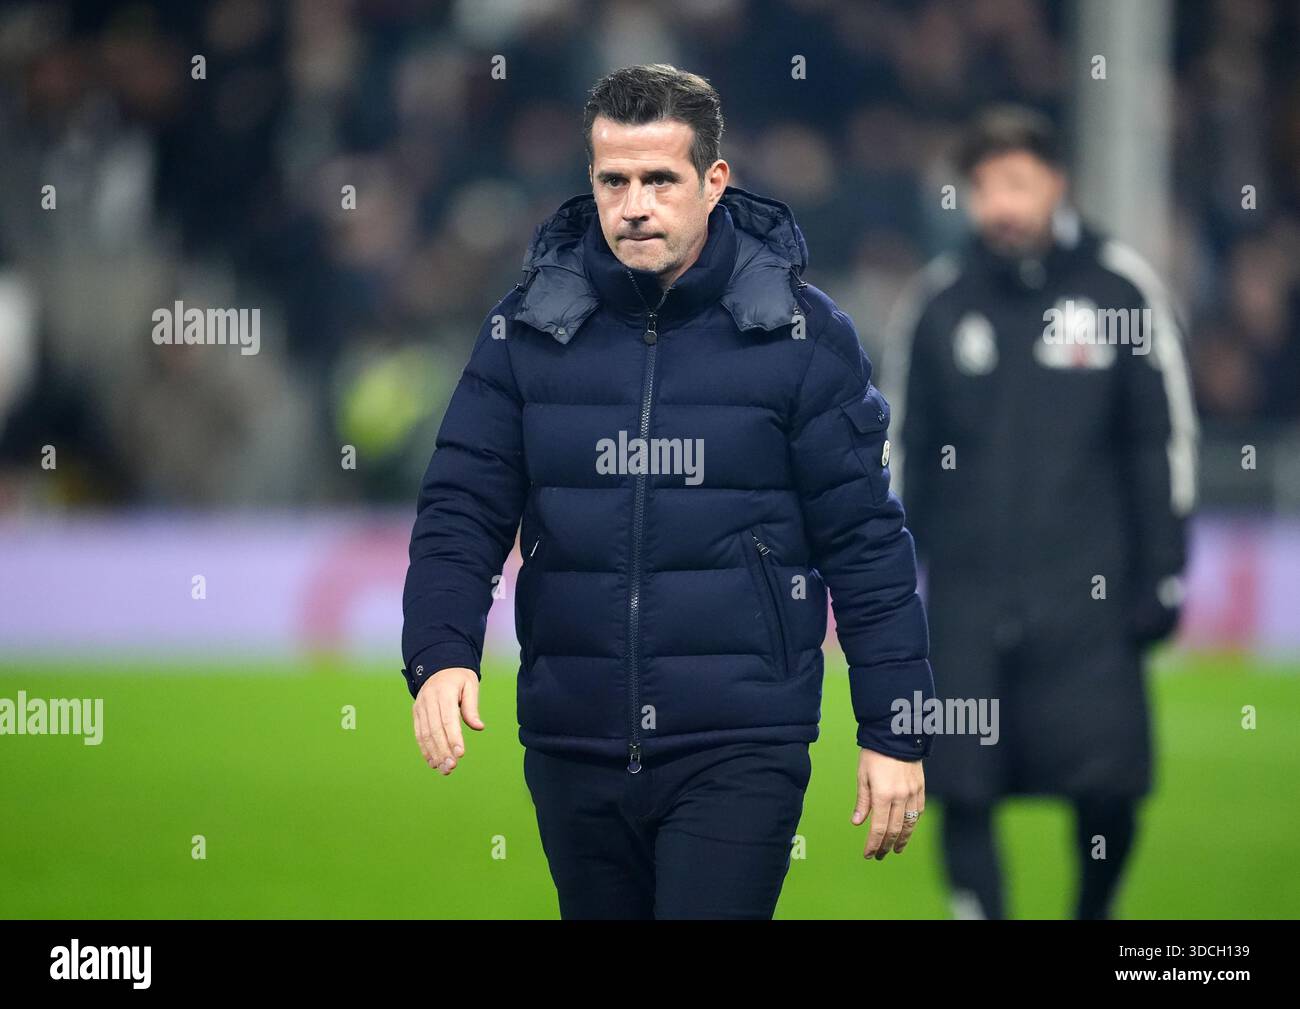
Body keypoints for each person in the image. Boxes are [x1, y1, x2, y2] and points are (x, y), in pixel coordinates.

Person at [400, 64, 935, 919]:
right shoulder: (525, 328)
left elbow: (866, 542)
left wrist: (895, 728)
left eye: (659, 179)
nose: (635, 205)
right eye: (614, 181)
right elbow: (462, 505)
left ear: (714, 181)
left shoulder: (802, 334)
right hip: (573, 739)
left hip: (741, 741)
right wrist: (440, 649)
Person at [880, 105, 1198, 920]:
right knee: (960, 787)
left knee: (1108, 788)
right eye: (984, 187)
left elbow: (1159, 442)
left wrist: (1162, 572)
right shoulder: (939, 302)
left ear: (1057, 184)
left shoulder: (1121, 290)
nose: (1000, 205)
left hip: (1090, 599)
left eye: (1017, 183)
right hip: (970, 599)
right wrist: (887, 584)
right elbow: (904, 449)